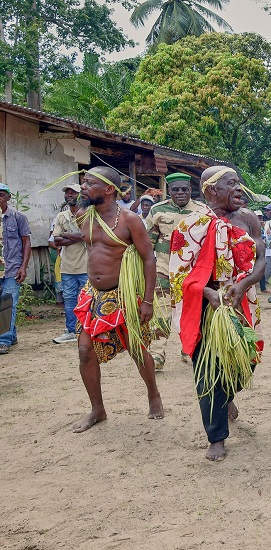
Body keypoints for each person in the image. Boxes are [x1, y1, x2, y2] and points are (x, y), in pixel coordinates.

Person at [170, 166, 265, 461]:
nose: (239, 189)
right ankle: (216, 437)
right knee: (207, 371)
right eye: (231, 183)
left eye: (239, 183)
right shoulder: (190, 225)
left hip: (241, 304)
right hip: (205, 307)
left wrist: (244, 283)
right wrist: (207, 292)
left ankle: (227, 396)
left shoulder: (248, 219)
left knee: (245, 362)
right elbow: (178, 273)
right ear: (211, 190)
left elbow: (261, 259)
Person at [70, 166, 164, 432]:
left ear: (109, 190)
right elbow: (92, 242)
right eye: (83, 183)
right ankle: (97, 410)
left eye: (89, 183)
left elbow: (148, 258)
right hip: (92, 295)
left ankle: (153, 395)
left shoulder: (129, 219)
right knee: (85, 351)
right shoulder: (84, 217)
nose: (83, 188)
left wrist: (147, 300)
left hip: (123, 294)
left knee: (136, 348)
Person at [145, 172, 209, 368]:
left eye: (184, 189)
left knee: (189, 312)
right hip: (163, 270)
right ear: (169, 191)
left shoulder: (203, 211)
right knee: (161, 312)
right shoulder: (157, 211)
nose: (180, 193)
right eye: (175, 190)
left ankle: (188, 350)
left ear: (191, 190)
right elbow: (148, 243)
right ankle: (157, 355)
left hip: (191, 273)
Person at [51, 183, 88, 344]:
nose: (70, 195)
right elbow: (56, 240)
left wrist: (67, 235)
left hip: (86, 266)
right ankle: (71, 330)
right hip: (67, 266)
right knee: (70, 299)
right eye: (68, 193)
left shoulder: (88, 214)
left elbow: (89, 236)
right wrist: (77, 236)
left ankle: (88, 330)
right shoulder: (62, 216)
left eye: (73, 192)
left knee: (87, 299)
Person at [0, 183, 31, 354]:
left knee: (7, 304)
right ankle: (10, 335)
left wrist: (23, 267)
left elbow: (27, 242)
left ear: (8, 197)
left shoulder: (18, 217)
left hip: (12, 268)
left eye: (2, 194)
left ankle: (4, 340)